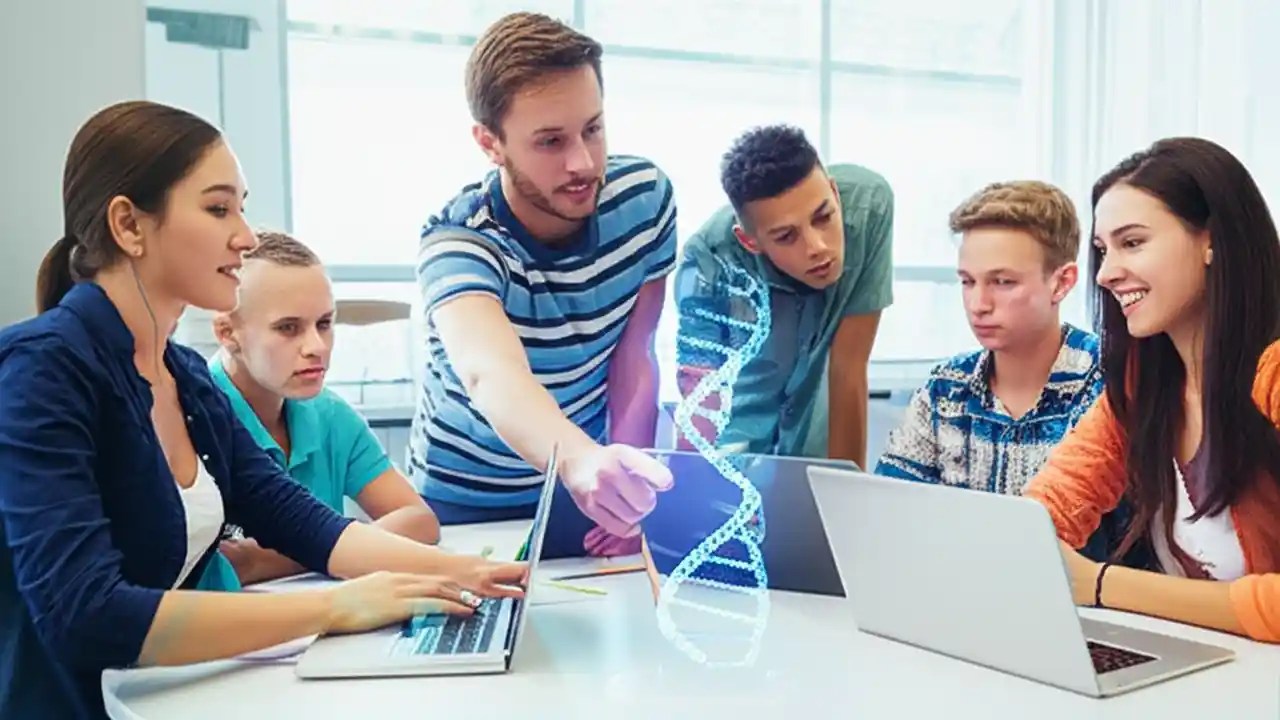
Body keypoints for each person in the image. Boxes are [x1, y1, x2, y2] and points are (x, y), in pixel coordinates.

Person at [0, 100, 524, 719]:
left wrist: (471, 575)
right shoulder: (40, 369)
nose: (245, 236)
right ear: (129, 225)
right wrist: (336, 606)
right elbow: (83, 615)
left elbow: (305, 524)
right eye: (219, 208)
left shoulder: (184, 379)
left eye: (241, 208)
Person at [410, 12, 676, 557]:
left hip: (577, 493)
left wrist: (626, 486)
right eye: (550, 141)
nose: (583, 163)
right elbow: (491, 373)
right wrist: (581, 460)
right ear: (490, 142)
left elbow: (635, 353)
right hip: (461, 507)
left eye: (593, 129)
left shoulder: (646, 200)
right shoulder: (459, 241)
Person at [1023, 136, 1280, 642]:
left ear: (1212, 240)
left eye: (1133, 242)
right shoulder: (1146, 385)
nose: (1106, 273)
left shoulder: (1273, 371)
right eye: (1101, 250)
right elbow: (1046, 511)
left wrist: (1101, 583)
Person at [873, 180, 1138, 563]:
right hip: (955, 598)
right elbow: (886, 516)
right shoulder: (945, 388)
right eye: (967, 282)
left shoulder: (1115, 381)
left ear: (1061, 282)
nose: (978, 304)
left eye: (1002, 282)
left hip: (1089, 613)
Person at [195, 231, 441, 592]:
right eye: (288, 328)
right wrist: (347, 548)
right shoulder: (187, 415)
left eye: (324, 323)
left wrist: (269, 558)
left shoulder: (329, 414)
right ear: (227, 333)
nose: (317, 346)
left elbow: (419, 521)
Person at [673, 125, 893, 468]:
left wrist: (850, 496)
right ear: (750, 242)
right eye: (787, 236)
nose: (818, 248)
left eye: (823, 217)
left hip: (815, 448)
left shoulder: (869, 208)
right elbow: (701, 397)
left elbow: (848, 367)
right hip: (735, 452)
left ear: (834, 193)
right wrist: (693, 494)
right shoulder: (707, 260)